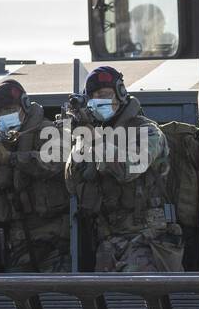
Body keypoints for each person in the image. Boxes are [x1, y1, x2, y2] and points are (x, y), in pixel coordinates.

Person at [65, 65, 184, 272]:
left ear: (120, 94)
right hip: (109, 243)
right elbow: (72, 184)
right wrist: (80, 139)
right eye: (94, 97)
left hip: (148, 240)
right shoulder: (93, 136)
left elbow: (128, 167)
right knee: (107, 302)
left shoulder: (147, 131)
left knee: (135, 299)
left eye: (105, 94)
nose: (99, 100)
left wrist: (95, 140)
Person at [0, 78, 70, 272]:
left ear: (24, 106)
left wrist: (10, 158)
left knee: (56, 297)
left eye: (10, 110)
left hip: (54, 236)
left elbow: (55, 162)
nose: (5, 116)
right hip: (18, 240)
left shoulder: (48, 131)